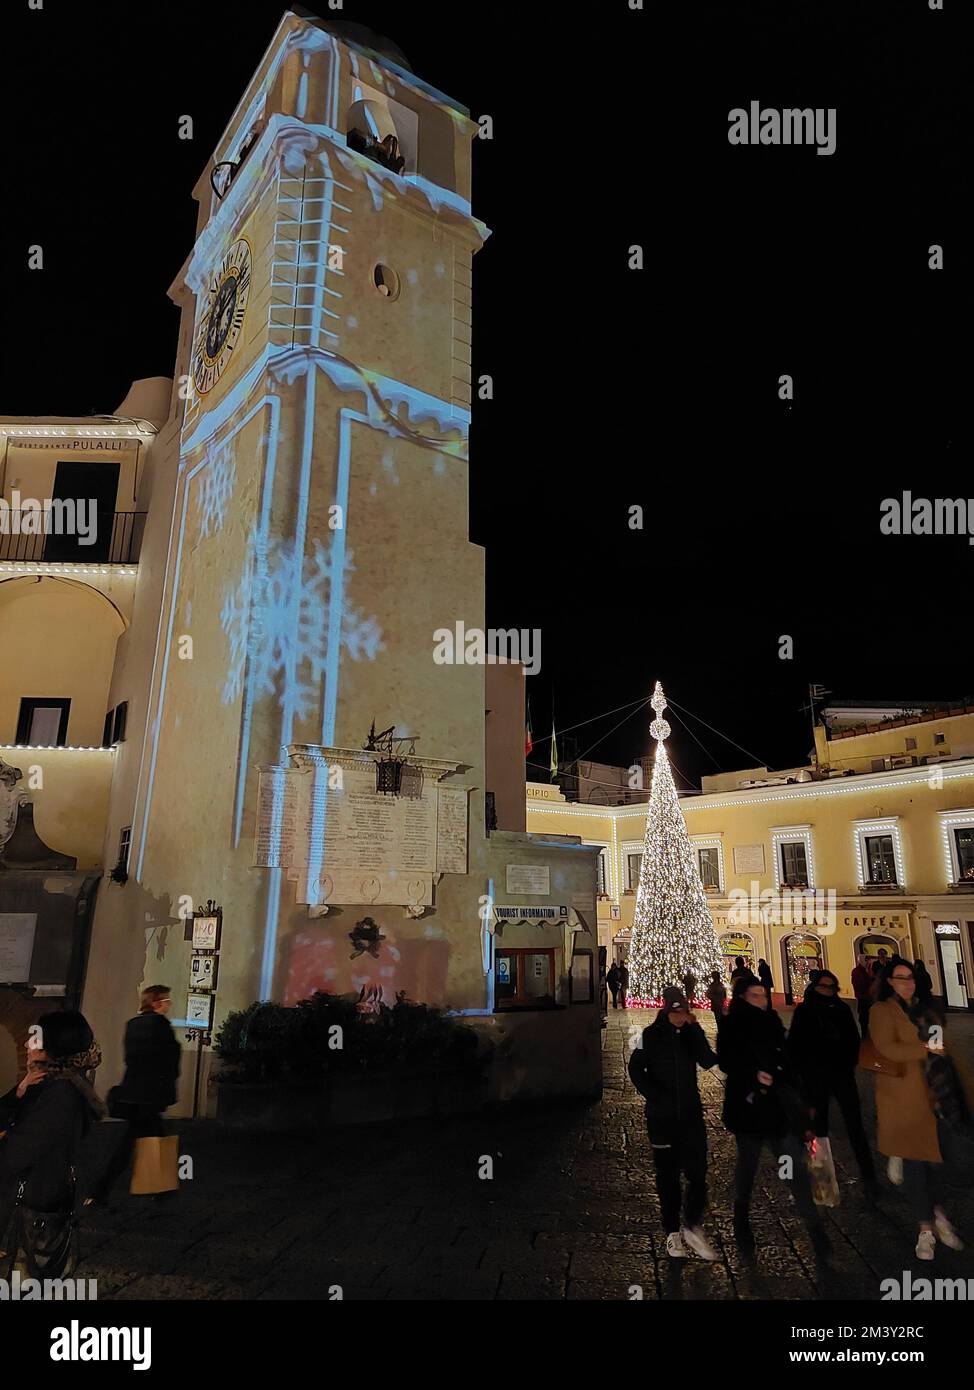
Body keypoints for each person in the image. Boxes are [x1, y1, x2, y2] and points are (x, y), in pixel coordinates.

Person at [717, 974, 828, 1255]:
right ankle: (741, 1215)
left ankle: (815, 1229)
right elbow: (727, 1060)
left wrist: (796, 1090)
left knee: (793, 1169)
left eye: (764, 995)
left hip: (778, 1111)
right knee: (748, 1167)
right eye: (756, 996)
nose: (762, 1001)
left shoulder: (773, 1022)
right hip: (748, 1108)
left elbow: (788, 1060)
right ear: (742, 997)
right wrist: (753, 1075)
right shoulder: (732, 1025)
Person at [869, 958, 968, 1260]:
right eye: (900, 978)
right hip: (906, 1100)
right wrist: (924, 1049)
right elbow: (887, 1047)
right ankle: (926, 1227)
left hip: (941, 1094)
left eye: (910, 977)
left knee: (950, 1162)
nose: (907, 983)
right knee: (918, 1166)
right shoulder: (882, 1010)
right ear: (888, 981)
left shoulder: (927, 1008)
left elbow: (943, 1044)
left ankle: (934, 1210)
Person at [0, 1011, 106, 1269]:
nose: (27, 1044)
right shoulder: (47, 1084)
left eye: (34, 1039)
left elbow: (18, 1151)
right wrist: (20, 1091)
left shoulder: (60, 1094)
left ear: (55, 1047)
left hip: (28, 1205)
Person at [628, 988, 720, 1260]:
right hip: (662, 1118)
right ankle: (672, 1234)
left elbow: (707, 1060)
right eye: (675, 1012)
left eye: (683, 1012)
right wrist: (655, 1096)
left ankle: (691, 1224)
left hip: (691, 1115)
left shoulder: (690, 1034)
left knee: (698, 1173)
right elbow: (635, 1068)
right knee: (667, 1177)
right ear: (666, 1011)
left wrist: (695, 1030)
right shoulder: (648, 1035)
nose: (680, 1017)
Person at [87, 985, 181, 1205]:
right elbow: (169, 1062)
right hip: (151, 1095)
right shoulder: (162, 1027)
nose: (168, 1005)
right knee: (136, 1143)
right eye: (166, 1001)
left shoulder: (133, 1025)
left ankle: (158, 1190)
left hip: (133, 1092)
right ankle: (101, 1191)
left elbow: (131, 1059)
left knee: (139, 1140)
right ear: (156, 1002)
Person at [787, 970, 876, 1188]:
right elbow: (795, 1046)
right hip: (815, 1079)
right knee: (819, 1129)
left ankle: (870, 1176)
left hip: (842, 1076)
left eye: (832, 987)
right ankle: (823, 1179)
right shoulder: (805, 1012)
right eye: (823, 986)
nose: (828, 991)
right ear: (815, 987)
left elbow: (854, 1040)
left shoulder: (842, 1009)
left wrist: (847, 1062)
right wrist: (804, 1073)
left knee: (855, 1125)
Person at [851, 953, 874, 1036]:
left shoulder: (865, 970)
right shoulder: (857, 971)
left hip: (867, 996)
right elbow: (860, 984)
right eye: (866, 960)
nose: (868, 962)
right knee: (864, 1015)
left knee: (867, 1015)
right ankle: (864, 1032)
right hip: (862, 996)